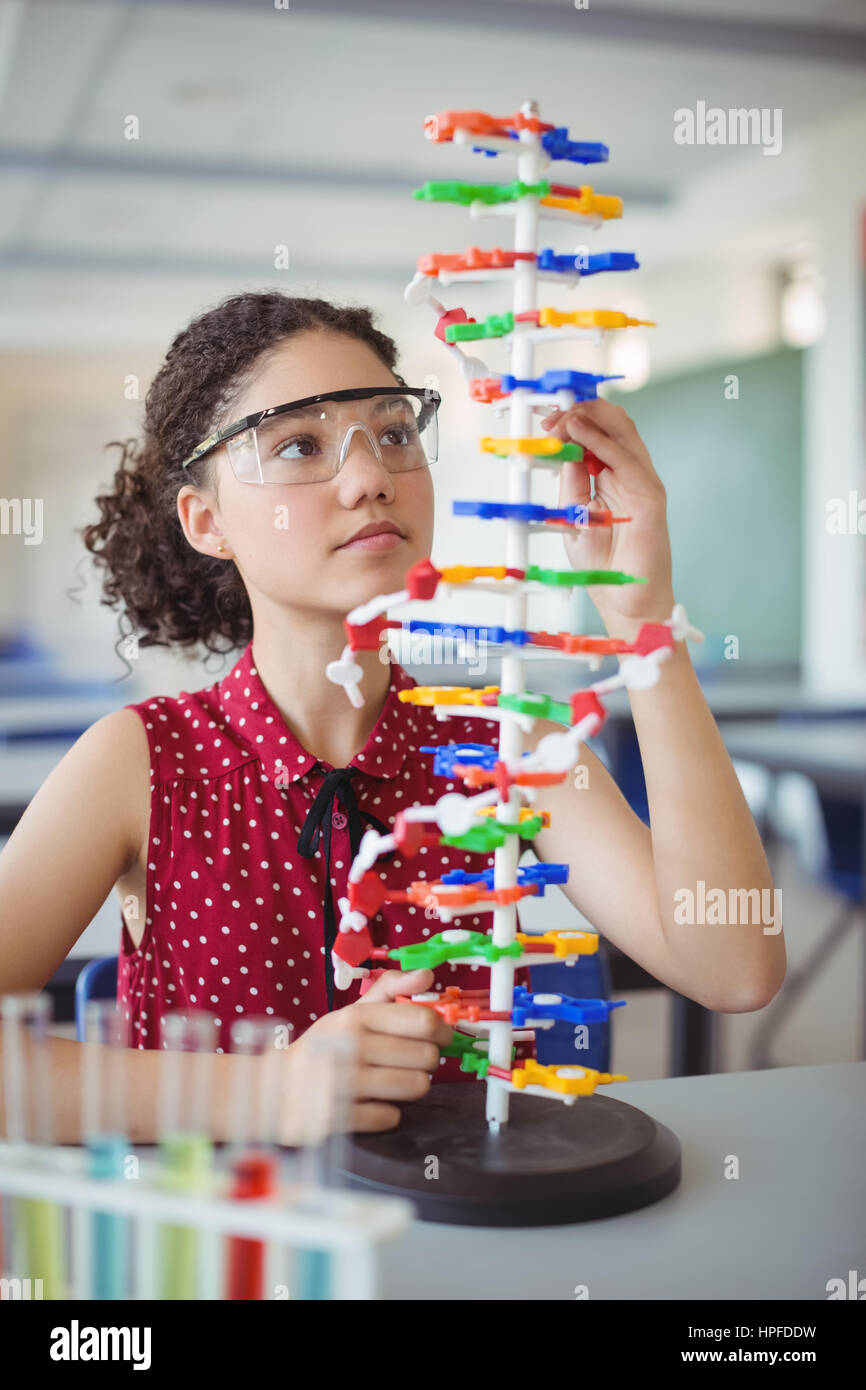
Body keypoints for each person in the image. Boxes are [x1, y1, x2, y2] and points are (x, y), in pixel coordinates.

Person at [0, 292, 784, 1143]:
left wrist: (644, 622)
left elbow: (734, 966)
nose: (373, 475)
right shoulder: (140, 761)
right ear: (207, 520)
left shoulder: (503, 741)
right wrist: (272, 1095)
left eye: (396, 432)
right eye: (299, 444)